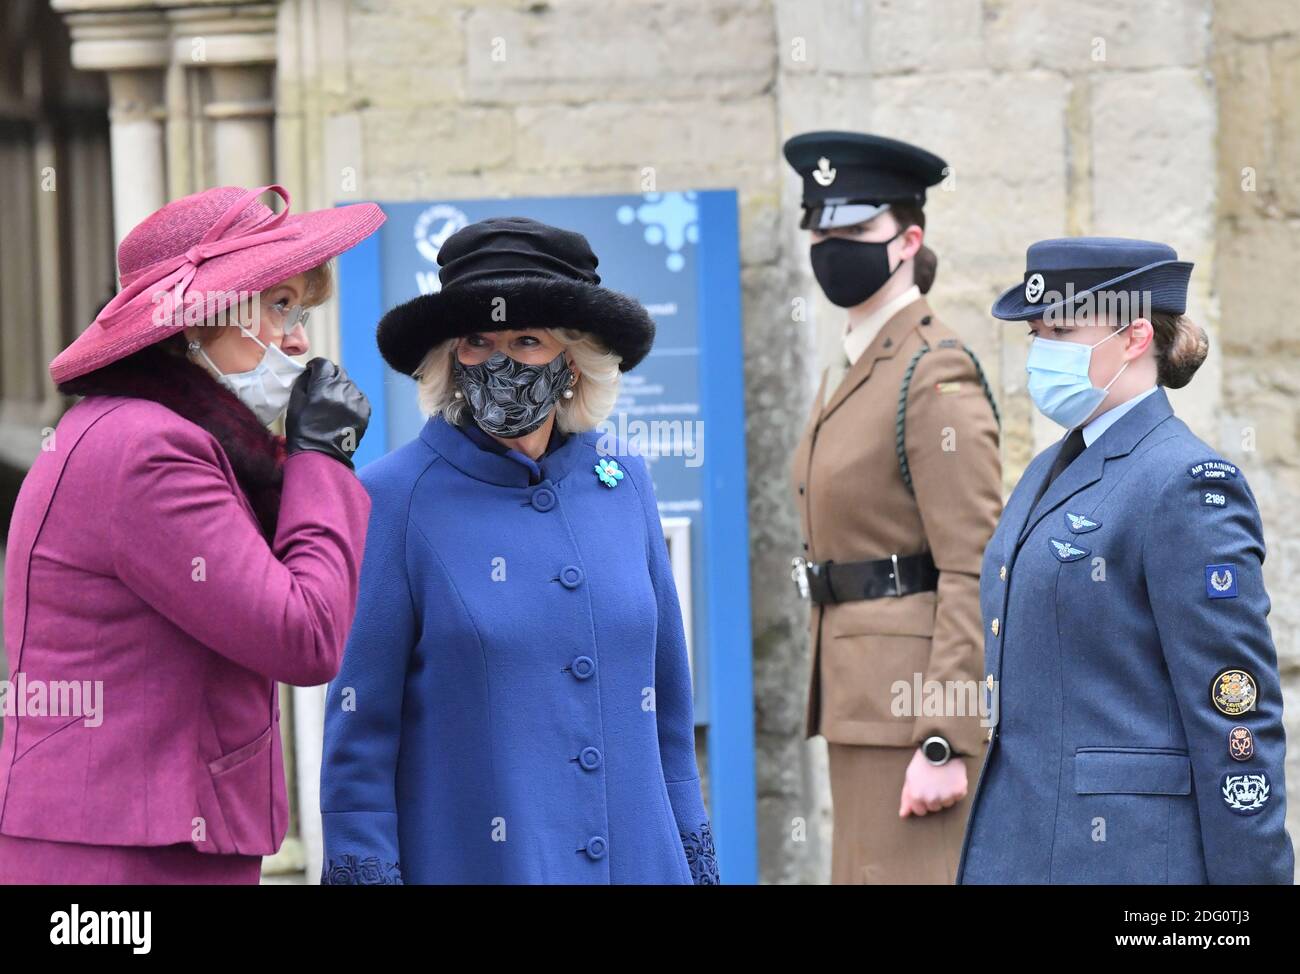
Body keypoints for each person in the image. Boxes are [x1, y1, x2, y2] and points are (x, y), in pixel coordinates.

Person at [0, 184, 382, 884]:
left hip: (144, 838)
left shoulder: (152, 430)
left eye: (300, 310)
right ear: (195, 322)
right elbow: (306, 634)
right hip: (121, 857)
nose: (299, 339)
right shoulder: (151, 448)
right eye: (279, 307)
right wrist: (323, 458)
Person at [319, 216, 717, 885]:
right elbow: (360, 744)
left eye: (527, 340)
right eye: (479, 341)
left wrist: (696, 864)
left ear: (573, 360)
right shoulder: (394, 498)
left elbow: (669, 716)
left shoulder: (623, 480)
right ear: (451, 357)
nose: (500, 362)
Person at [957, 237, 1294, 884]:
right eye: (1036, 333)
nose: (1042, 351)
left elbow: (1232, 712)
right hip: (1024, 848)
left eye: (1061, 330)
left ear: (1135, 336)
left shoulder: (1188, 482)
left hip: (1127, 862)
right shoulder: (1044, 470)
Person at [783, 131, 1002, 884]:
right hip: (859, 700)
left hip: (911, 715)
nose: (831, 246)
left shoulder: (932, 369)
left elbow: (975, 566)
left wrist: (945, 735)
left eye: (855, 230)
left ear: (909, 239)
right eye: (822, 229)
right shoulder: (857, 360)